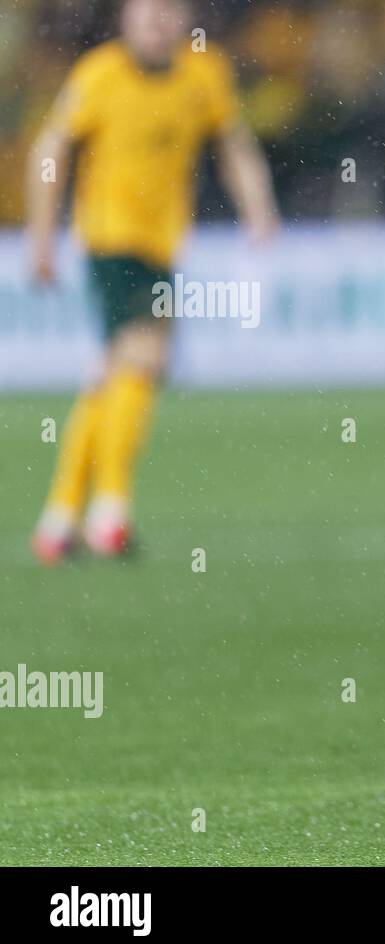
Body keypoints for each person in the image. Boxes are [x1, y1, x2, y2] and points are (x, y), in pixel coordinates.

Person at [29, 0, 278, 563]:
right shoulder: (99, 76)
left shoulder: (204, 73)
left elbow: (232, 143)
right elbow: (52, 149)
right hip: (111, 242)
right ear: (126, 23)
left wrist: (258, 206)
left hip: (162, 245)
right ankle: (109, 512)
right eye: (147, 15)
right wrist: (42, 237)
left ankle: (60, 516)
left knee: (112, 374)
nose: (158, 25)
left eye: (168, 15)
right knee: (143, 358)